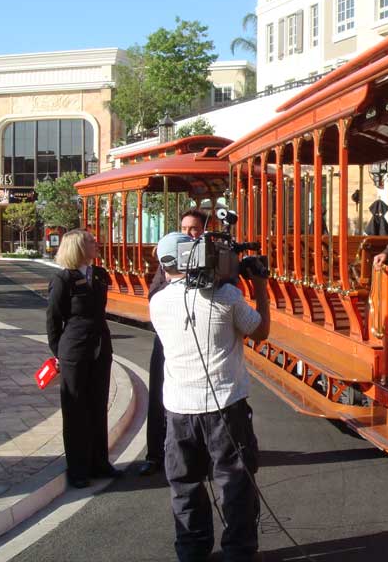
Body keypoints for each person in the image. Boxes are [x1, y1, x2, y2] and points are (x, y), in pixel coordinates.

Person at [150, 231, 270, 562]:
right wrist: (258, 285)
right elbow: (259, 330)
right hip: (224, 407)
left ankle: (191, 551)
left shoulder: (157, 302)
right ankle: (239, 553)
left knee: (185, 484)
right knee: (234, 482)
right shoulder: (227, 296)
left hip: (177, 411)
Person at [46, 229, 120, 489]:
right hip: (75, 352)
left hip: (101, 349)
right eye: (90, 241)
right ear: (77, 246)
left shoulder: (99, 276)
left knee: (98, 406)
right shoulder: (62, 279)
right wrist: (60, 354)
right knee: (76, 410)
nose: (96, 244)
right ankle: (77, 469)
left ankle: (99, 462)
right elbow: (54, 320)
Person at [139, 209, 207, 477]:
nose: (189, 233)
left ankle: (199, 451)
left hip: (198, 338)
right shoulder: (169, 260)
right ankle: (154, 454)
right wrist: (177, 283)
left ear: (202, 231)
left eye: (194, 228)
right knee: (159, 393)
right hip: (168, 339)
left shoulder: (210, 259)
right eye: (184, 228)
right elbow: (154, 292)